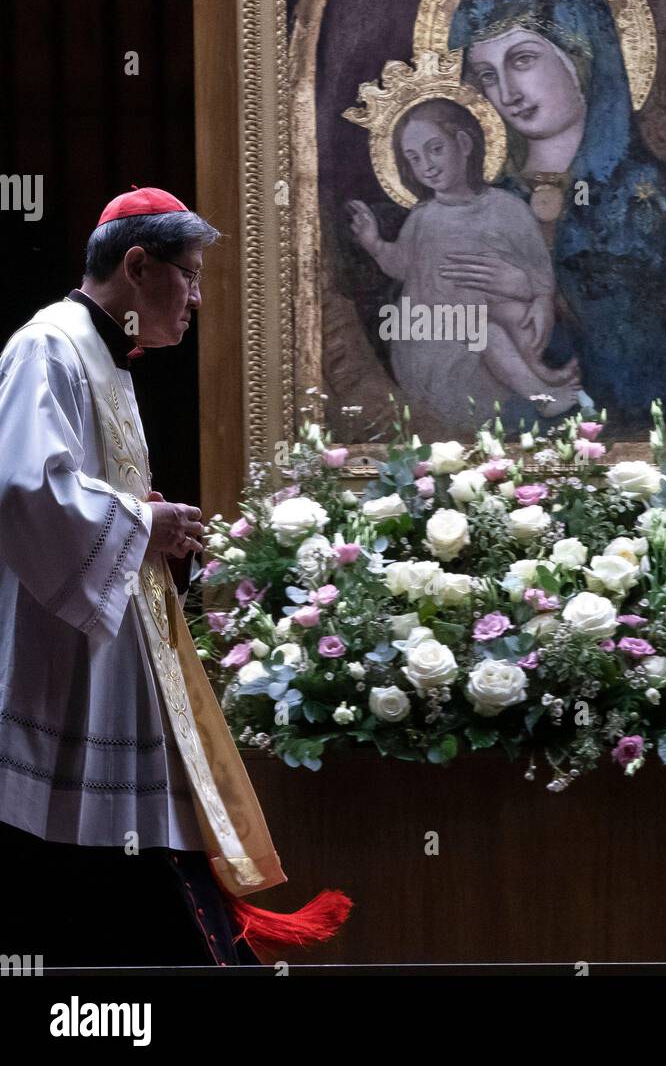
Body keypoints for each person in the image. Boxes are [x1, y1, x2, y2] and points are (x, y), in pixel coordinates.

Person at [0, 185, 350, 967]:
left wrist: (146, 523)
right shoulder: (49, 345)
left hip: (114, 657)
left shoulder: (106, 361)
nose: (196, 297)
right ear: (136, 264)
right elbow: (23, 486)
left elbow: (80, 491)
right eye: (188, 275)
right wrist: (137, 523)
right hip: (67, 668)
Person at [448, 0, 666, 433]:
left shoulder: (654, 200)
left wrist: (541, 292)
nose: (507, 92)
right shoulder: (482, 199)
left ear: (582, 57)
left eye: (522, 60)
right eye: (486, 74)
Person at [347, 98, 584, 429]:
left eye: (435, 149)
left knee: (513, 315)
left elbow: (540, 272)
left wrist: (539, 298)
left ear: (463, 143)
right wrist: (373, 243)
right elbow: (400, 266)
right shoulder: (423, 218)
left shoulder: (509, 209)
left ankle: (538, 372)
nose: (427, 165)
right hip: (430, 338)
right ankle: (541, 396)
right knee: (484, 330)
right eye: (414, 159)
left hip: (486, 324)